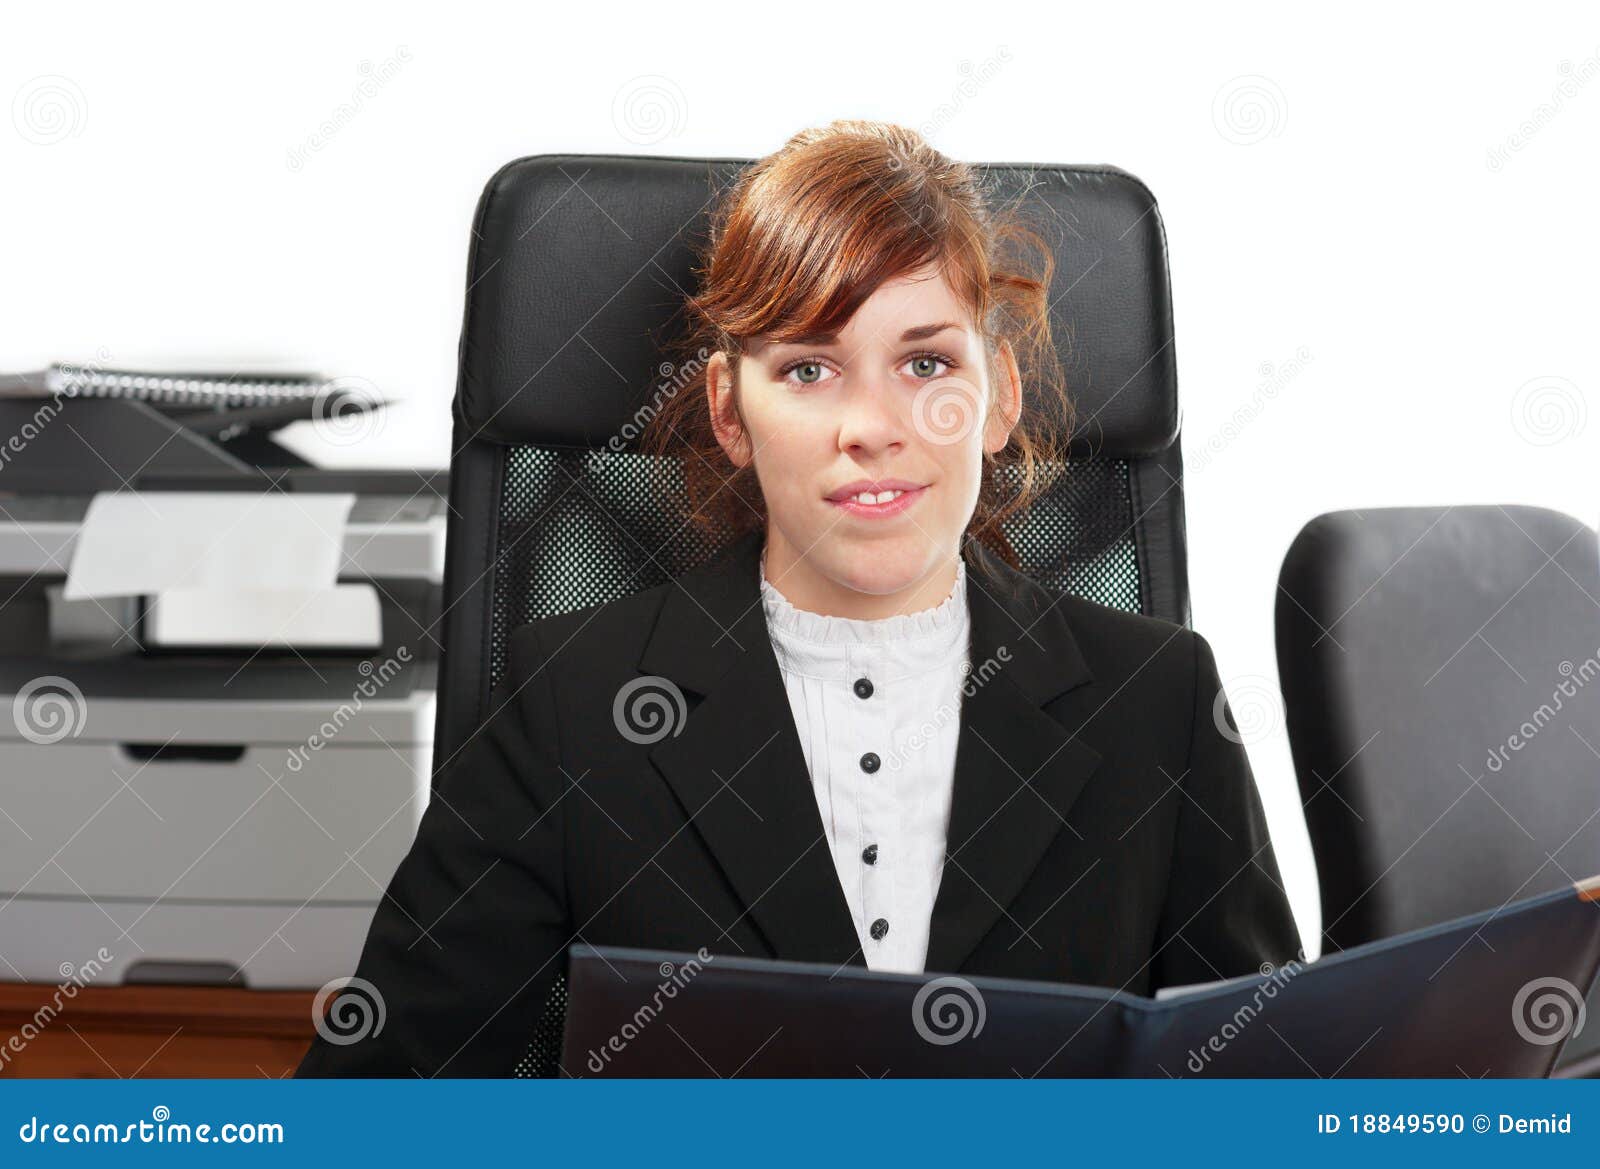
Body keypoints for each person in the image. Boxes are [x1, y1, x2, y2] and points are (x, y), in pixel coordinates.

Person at [296, 119, 1301, 1078]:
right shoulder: (574, 697)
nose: (871, 423)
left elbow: (1270, 1092)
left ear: (998, 397)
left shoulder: (1157, 699)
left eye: (925, 361)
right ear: (731, 411)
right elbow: (379, 1096)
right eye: (809, 366)